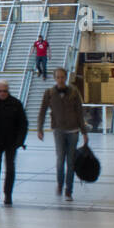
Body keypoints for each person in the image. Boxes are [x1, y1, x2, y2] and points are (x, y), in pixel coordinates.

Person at [38, 68, 87, 202]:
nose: (60, 79)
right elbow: (42, 111)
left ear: (66, 78)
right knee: (60, 159)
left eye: (62, 77)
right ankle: (60, 184)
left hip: (73, 130)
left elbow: (79, 112)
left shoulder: (74, 92)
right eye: (58, 77)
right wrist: (40, 128)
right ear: (55, 78)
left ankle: (68, 190)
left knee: (70, 161)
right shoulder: (49, 93)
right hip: (58, 130)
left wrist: (84, 132)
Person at [0, 79, 28, 207]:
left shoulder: (16, 104)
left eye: (4, 91)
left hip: (11, 142)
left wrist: (20, 141)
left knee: (10, 169)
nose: (2, 93)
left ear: (8, 91)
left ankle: (8, 195)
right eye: (0, 91)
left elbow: (23, 124)